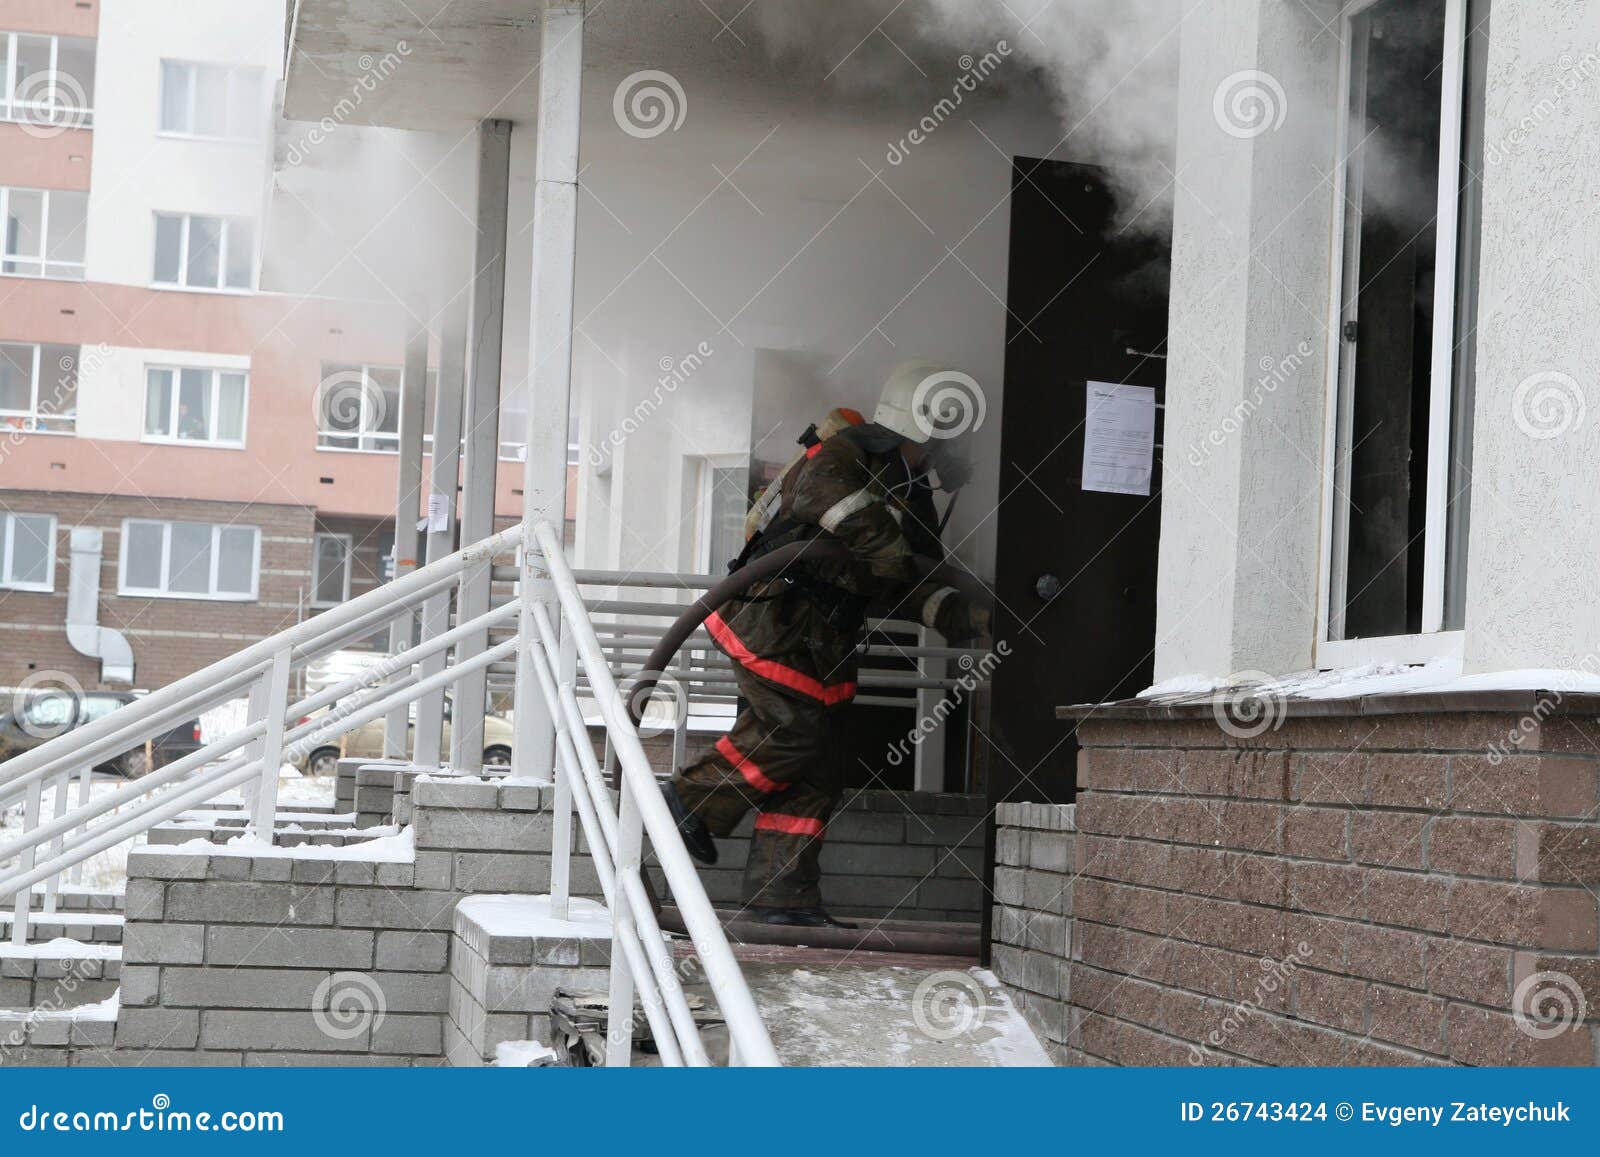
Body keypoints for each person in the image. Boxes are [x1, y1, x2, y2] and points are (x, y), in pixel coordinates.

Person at [663, 360, 991, 927]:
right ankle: (687, 800)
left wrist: (970, 618)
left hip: (828, 642)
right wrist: (886, 548)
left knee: (815, 766)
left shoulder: (911, 494)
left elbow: (909, 585)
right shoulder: (846, 453)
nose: (944, 453)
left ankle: (781, 895)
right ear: (918, 424)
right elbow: (832, 503)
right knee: (789, 736)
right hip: (776, 622)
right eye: (941, 437)